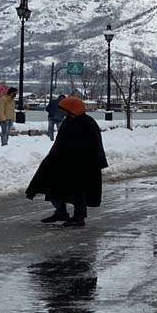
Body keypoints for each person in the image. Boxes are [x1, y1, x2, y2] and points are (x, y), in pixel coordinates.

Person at [26, 96, 107, 227]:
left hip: (82, 165)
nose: (64, 112)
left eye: (66, 109)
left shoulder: (88, 122)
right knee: (52, 185)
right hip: (63, 161)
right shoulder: (68, 121)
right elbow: (60, 141)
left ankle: (79, 217)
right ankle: (61, 211)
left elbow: (93, 145)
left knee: (79, 191)